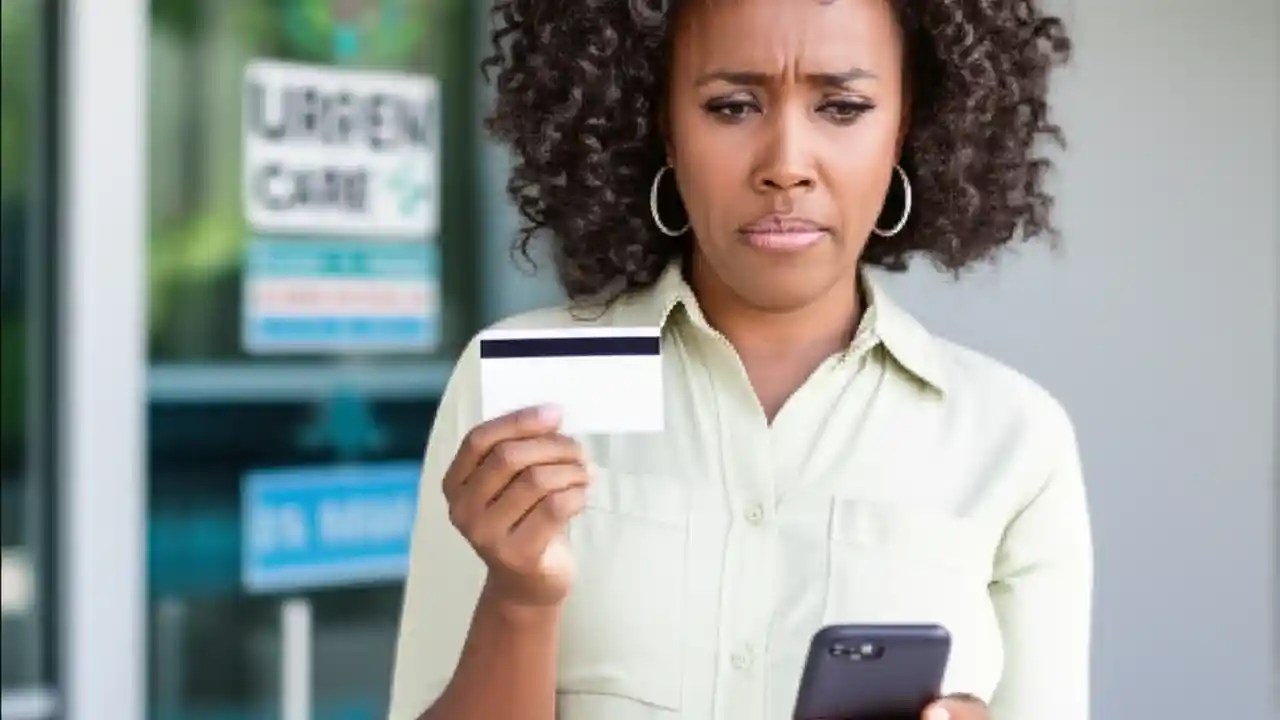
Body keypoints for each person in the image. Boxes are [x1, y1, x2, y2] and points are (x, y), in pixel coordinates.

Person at [389, 0, 1090, 718]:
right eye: (731, 106)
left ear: (907, 124)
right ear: (662, 120)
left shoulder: (1013, 438)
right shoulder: (521, 386)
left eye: (844, 107)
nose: (786, 166)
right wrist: (520, 600)